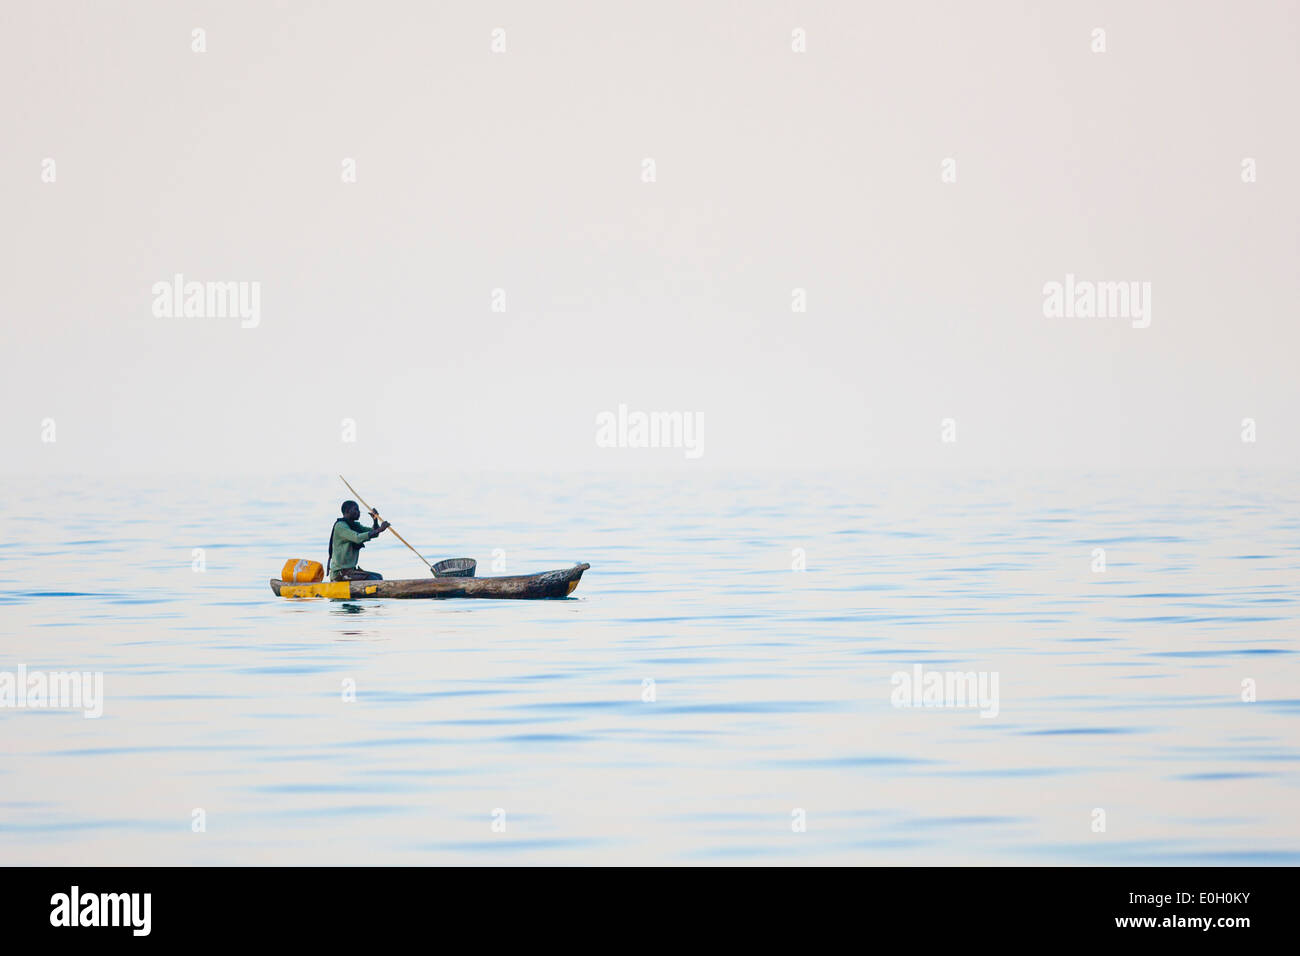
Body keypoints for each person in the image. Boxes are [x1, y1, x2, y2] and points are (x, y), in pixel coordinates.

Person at [328, 500, 390, 581]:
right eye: (356, 510)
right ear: (347, 511)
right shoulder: (340, 526)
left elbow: (374, 533)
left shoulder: (355, 525)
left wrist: (375, 520)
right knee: (373, 579)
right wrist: (379, 529)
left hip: (350, 571)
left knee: (379, 577)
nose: (359, 512)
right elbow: (357, 538)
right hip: (340, 573)